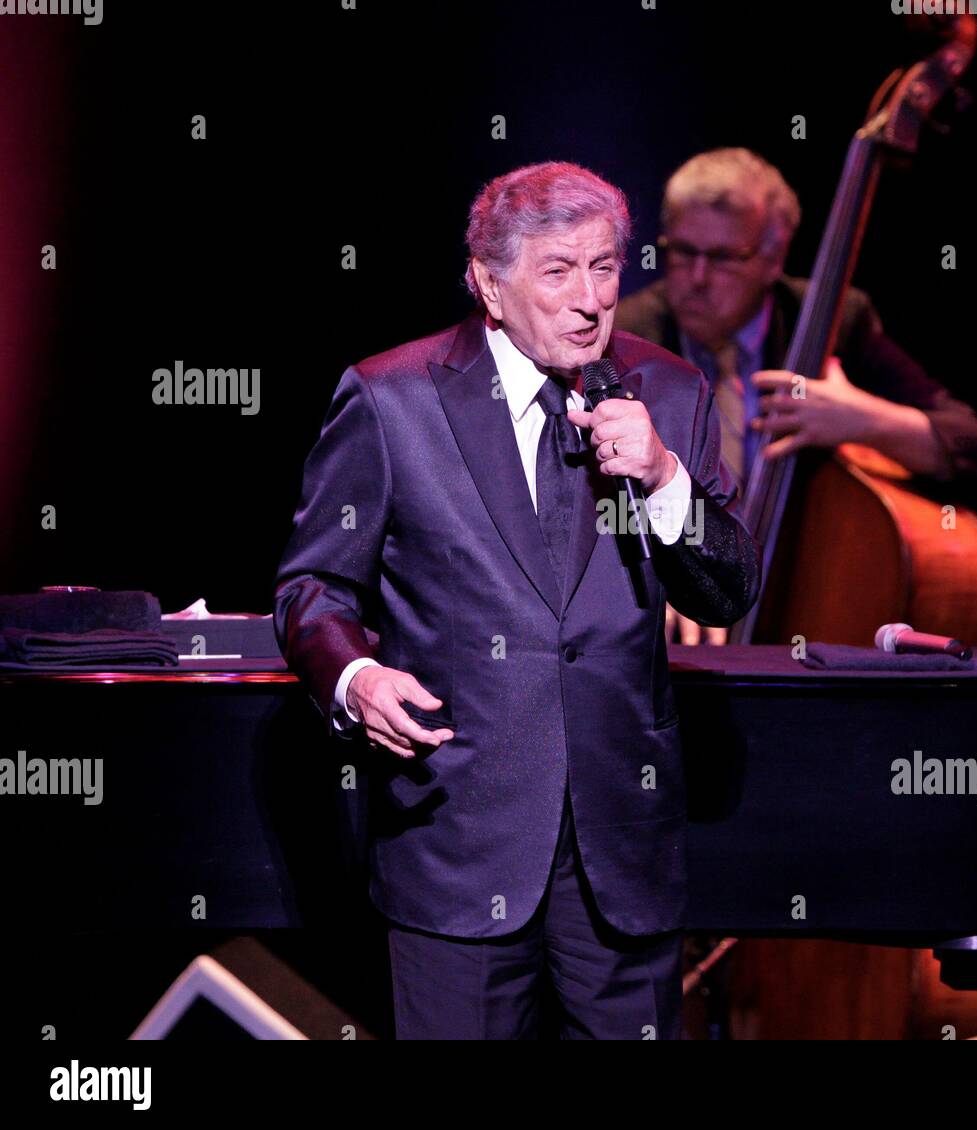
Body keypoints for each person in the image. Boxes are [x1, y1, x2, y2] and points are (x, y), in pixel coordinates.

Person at [273, 161, 759, 1039]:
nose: (590, 301)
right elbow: (313, 586)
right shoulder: (391, 399)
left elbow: (728, 584)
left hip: (622, 852)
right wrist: (357, 681)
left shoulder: (670, 393)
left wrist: (661, 477)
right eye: (558, 271)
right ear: (489, 283)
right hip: (460, 843)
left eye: (605, 268)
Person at [616, 147, 977, 643]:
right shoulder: (629, 336)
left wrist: (865, 419)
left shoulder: (837, 323)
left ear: (773, 258)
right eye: (682, 252)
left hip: (809, 615)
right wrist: (668, 579)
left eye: (723, 258)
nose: (696, 279)